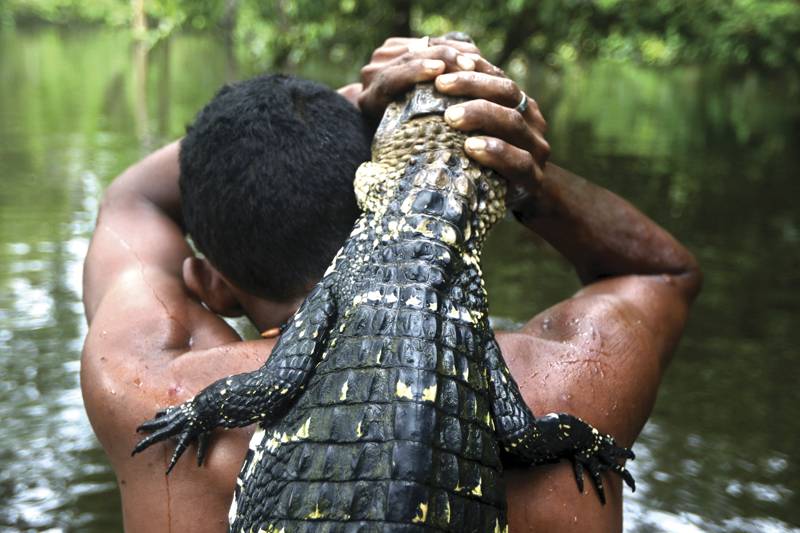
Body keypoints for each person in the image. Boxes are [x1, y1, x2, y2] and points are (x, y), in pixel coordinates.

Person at [81, 37, 701, 532]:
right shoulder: (573, 379)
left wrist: (352, 99)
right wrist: (517, 165)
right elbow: (663, 272)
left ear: (208, 285)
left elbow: (129, 199)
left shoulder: (145, 382)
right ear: (372, 196)